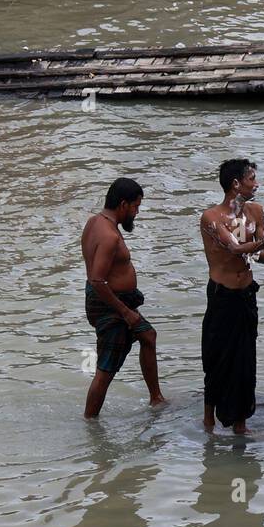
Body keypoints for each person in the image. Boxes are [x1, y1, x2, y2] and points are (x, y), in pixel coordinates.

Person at [199, 158, 264, 435]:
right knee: (217, 358)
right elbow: (234, 248)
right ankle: (208, 420)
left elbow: (262, 258)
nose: (256, 184)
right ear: (236, 184)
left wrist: (263, 247)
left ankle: (241, 425)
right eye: (251, 179)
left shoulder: (256, 211)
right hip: (222, 297)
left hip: (245, 294)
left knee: (245, 360)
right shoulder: (212, 217)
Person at [82, 178, 165, 418]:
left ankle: (156, 398)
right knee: (106, 369)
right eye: (135, 207)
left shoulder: (94, 222)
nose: (136, 213)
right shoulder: (110, 236)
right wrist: (125, 312)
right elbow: (98, 280)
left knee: (148, 335)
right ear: (122, 204)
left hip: (109, 301)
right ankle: (90, 421)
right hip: (111, 305)